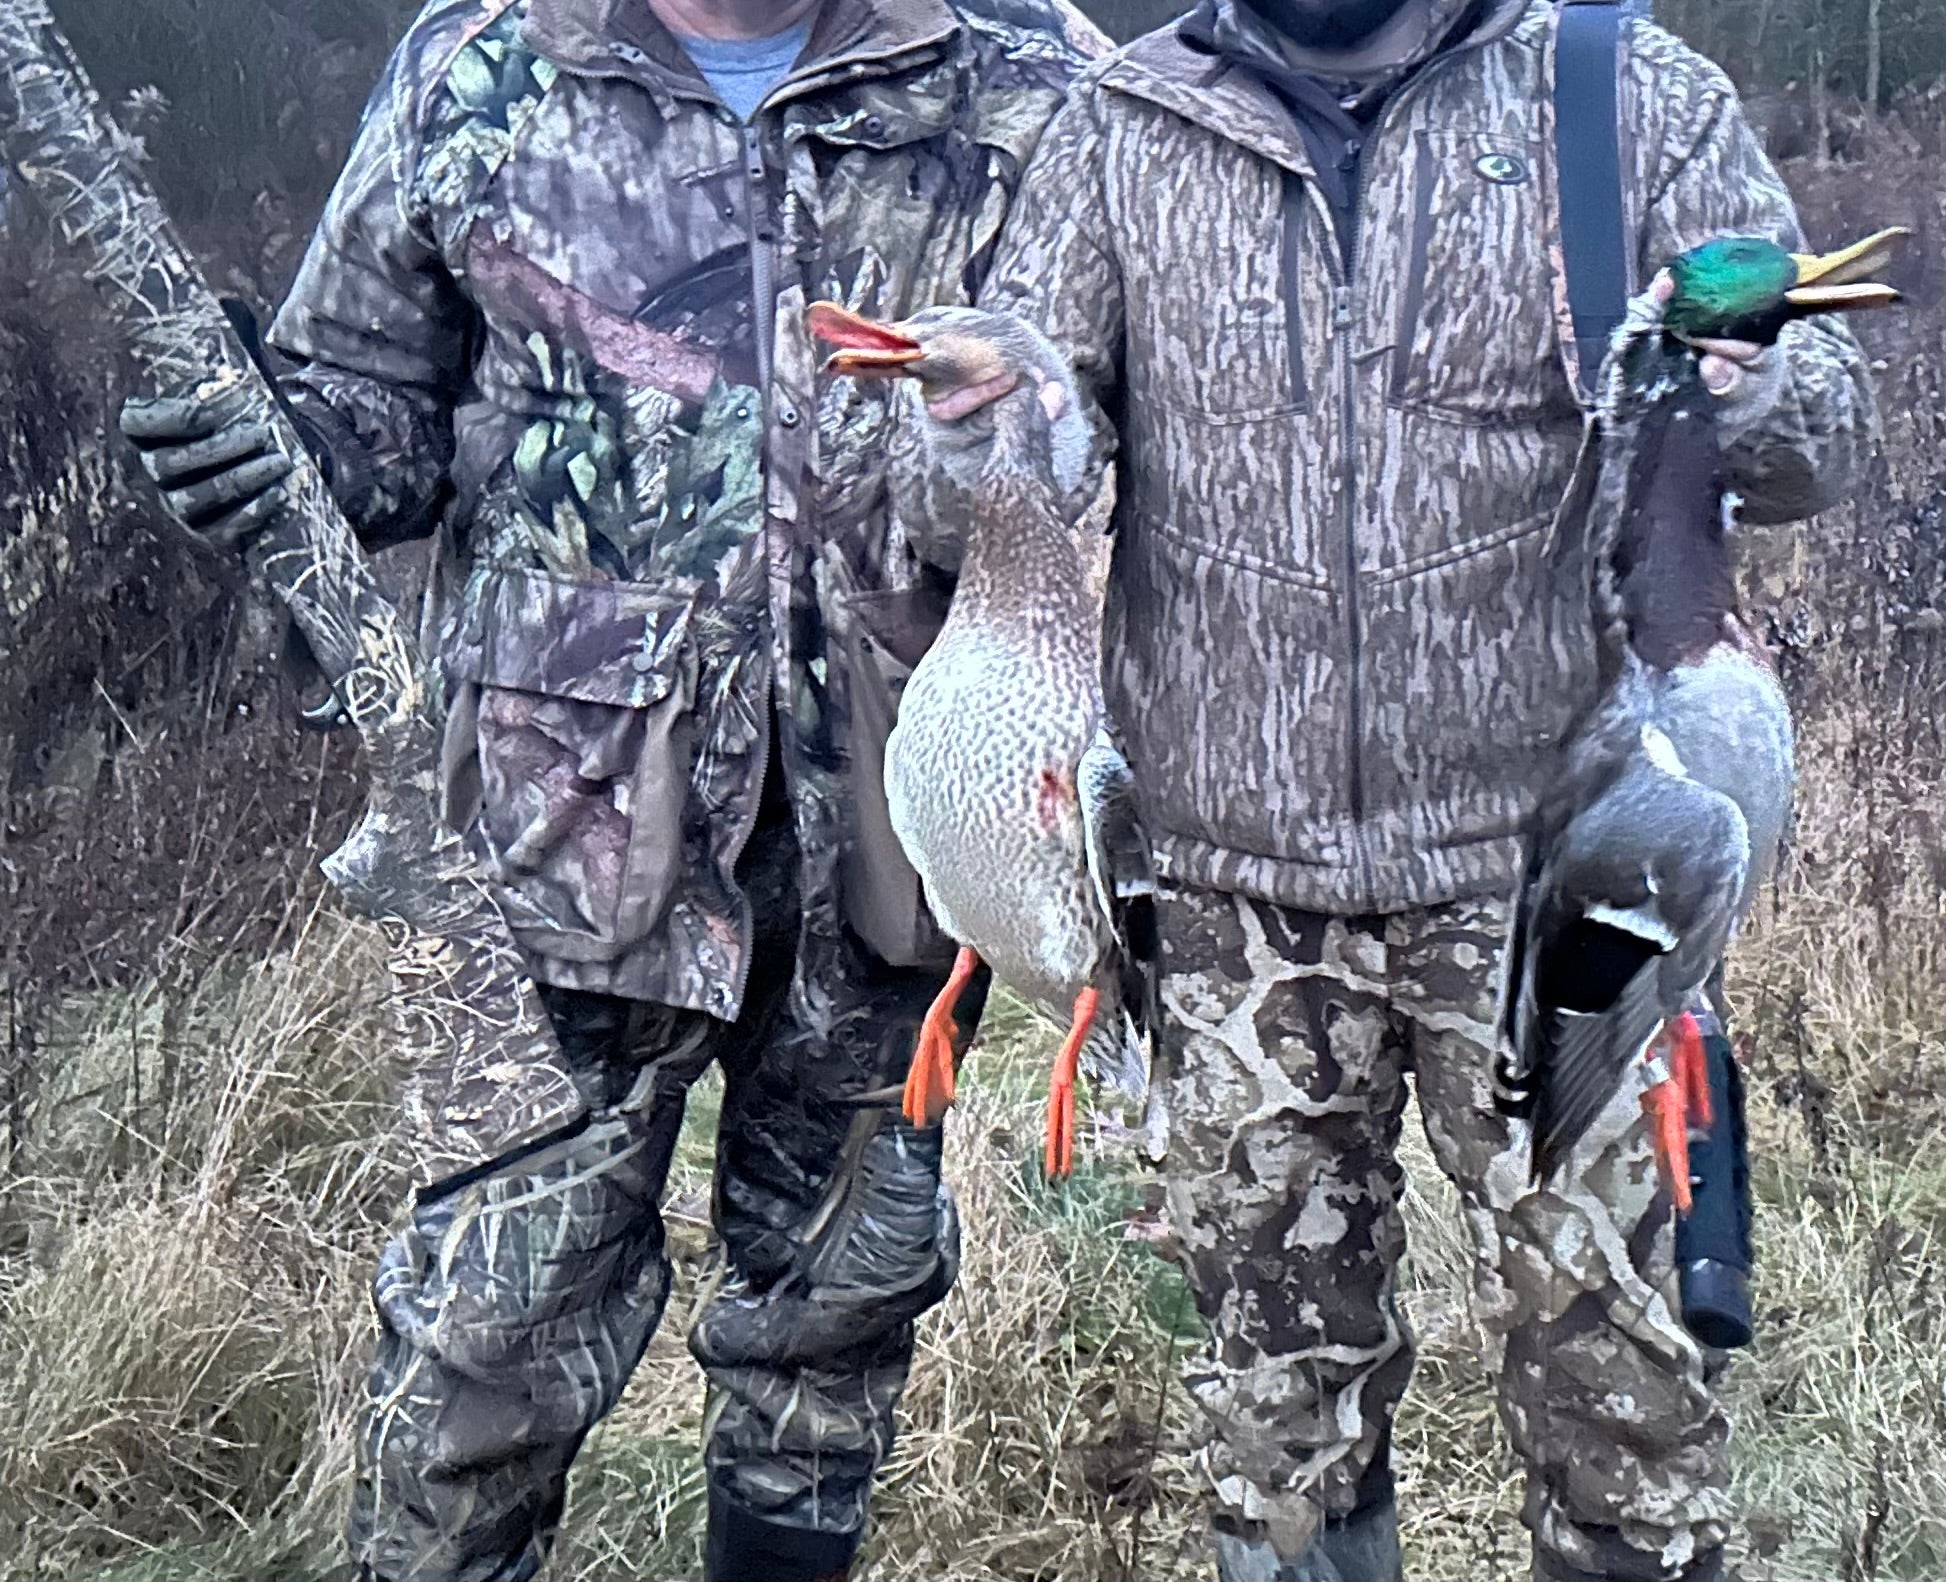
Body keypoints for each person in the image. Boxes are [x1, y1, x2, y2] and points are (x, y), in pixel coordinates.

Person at [116, 0, 1105, 1577]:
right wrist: (270, 447)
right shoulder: (484, 63)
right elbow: (371, 410)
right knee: (482, 1341)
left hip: (899, 832)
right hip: (554, 836)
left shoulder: (1018, 77)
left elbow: (1109, 424)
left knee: (832, 1330)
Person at [979, 0, 1874, 1578]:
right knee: (1278, 1435)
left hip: (1553, 883)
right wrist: (986, 437)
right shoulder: (1125, 127)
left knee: (1627, 1402)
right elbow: (1009, 456)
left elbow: (1824, 430)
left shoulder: (1617, 96)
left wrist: (1751, 392)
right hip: (1233, 895)